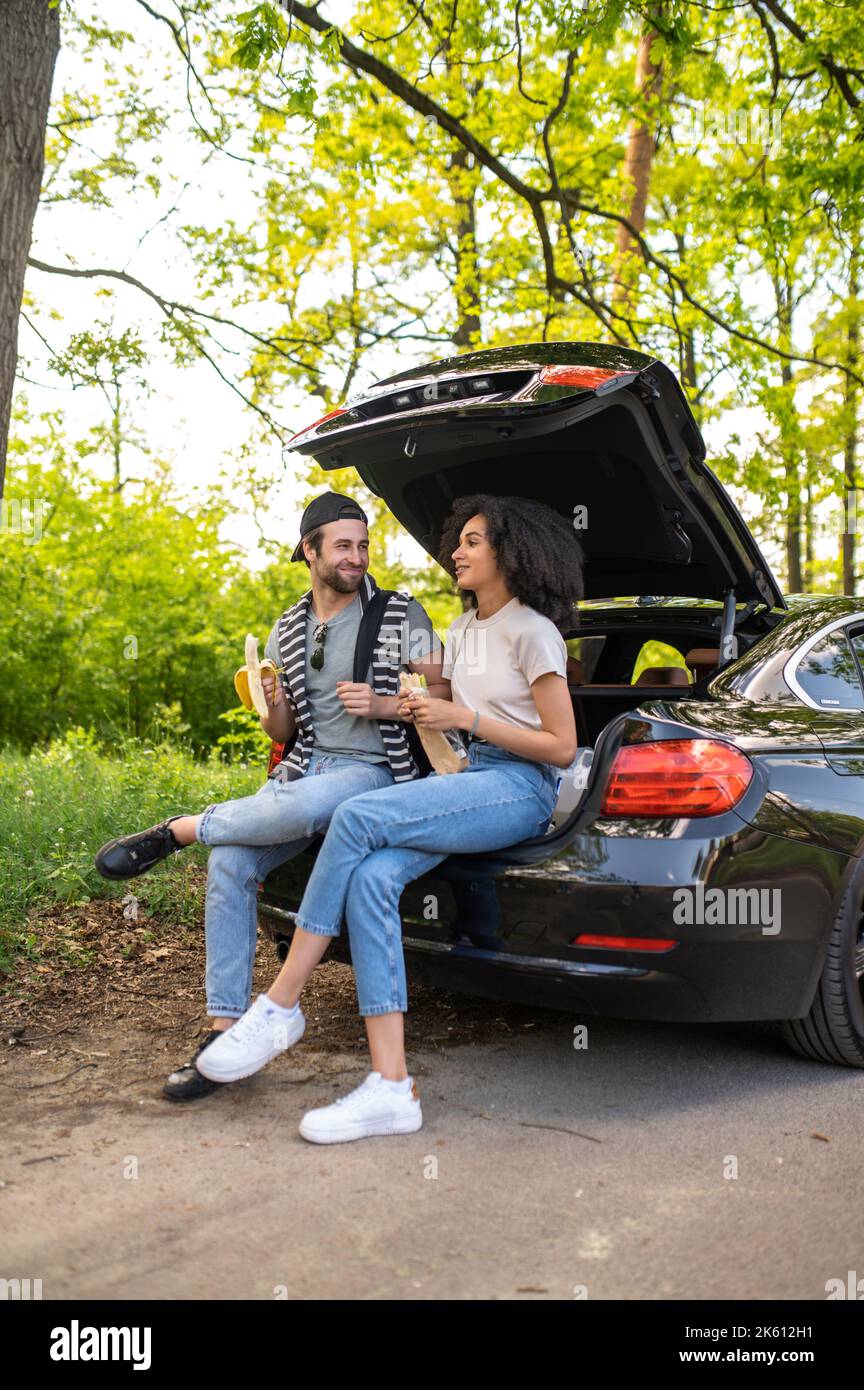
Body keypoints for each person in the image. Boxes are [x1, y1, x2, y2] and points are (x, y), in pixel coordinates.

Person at [194, 493, 583, 1143]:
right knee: (372, 879)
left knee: (354, 817)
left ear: (509, 554)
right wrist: (412, 706)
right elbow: (433, 713)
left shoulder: (532, 631)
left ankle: (281, 1004)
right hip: (463, 778)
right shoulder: (465, 632)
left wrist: (465, 718)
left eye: (472, 541)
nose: (455, 550)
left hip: (519, 786)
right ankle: (392, 1088)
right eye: (457, 539)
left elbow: (563, 747)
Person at [93, 490, 446, 1100]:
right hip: (306, 767)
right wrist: (273, 709)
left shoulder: (398, 614)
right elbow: (286, 735)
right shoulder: (287, 627)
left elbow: (442, 699)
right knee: (230, 859)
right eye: (343, 546)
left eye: (363, 546)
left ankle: (178, 828)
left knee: (299, 807)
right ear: (308, 551)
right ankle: (224, 1036)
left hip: (375, 770)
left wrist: (387, 703)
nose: (356, 557)